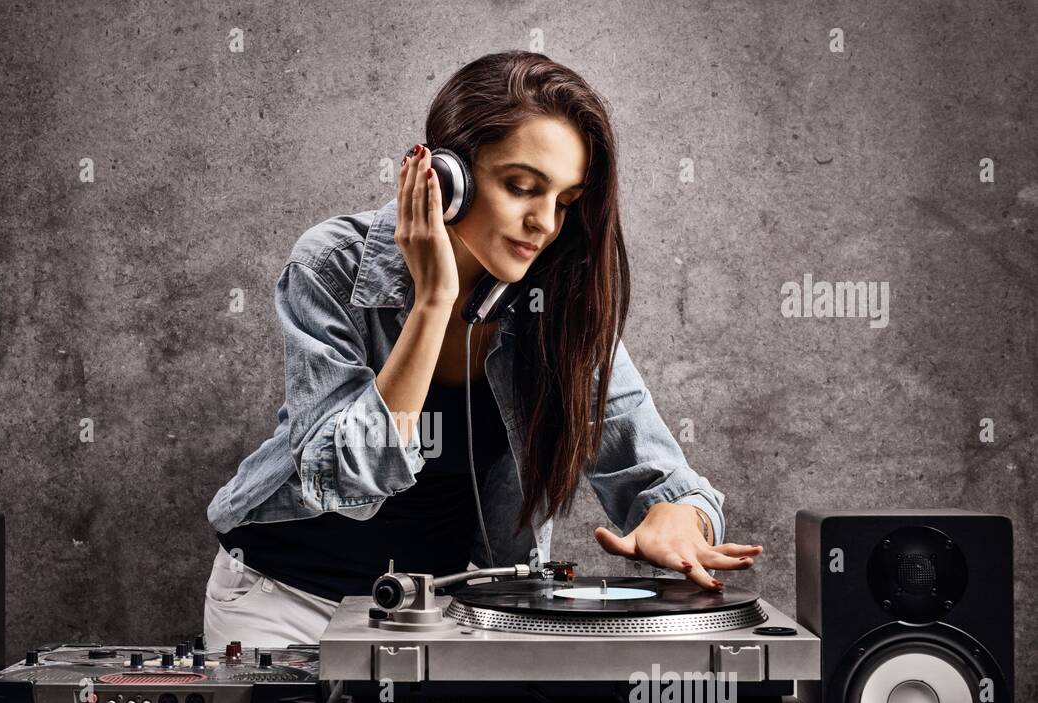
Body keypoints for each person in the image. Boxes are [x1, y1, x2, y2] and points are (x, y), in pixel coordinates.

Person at [203, 51, 762, 649]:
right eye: (522, 187)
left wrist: (681, 518)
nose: (545, 223)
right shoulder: (331, 265)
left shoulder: (561, 304)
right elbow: (343, 471)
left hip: (450, 617)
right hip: (284, 600)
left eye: (566, 201)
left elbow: (662, 479)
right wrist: (434, 302)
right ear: (446, 178)